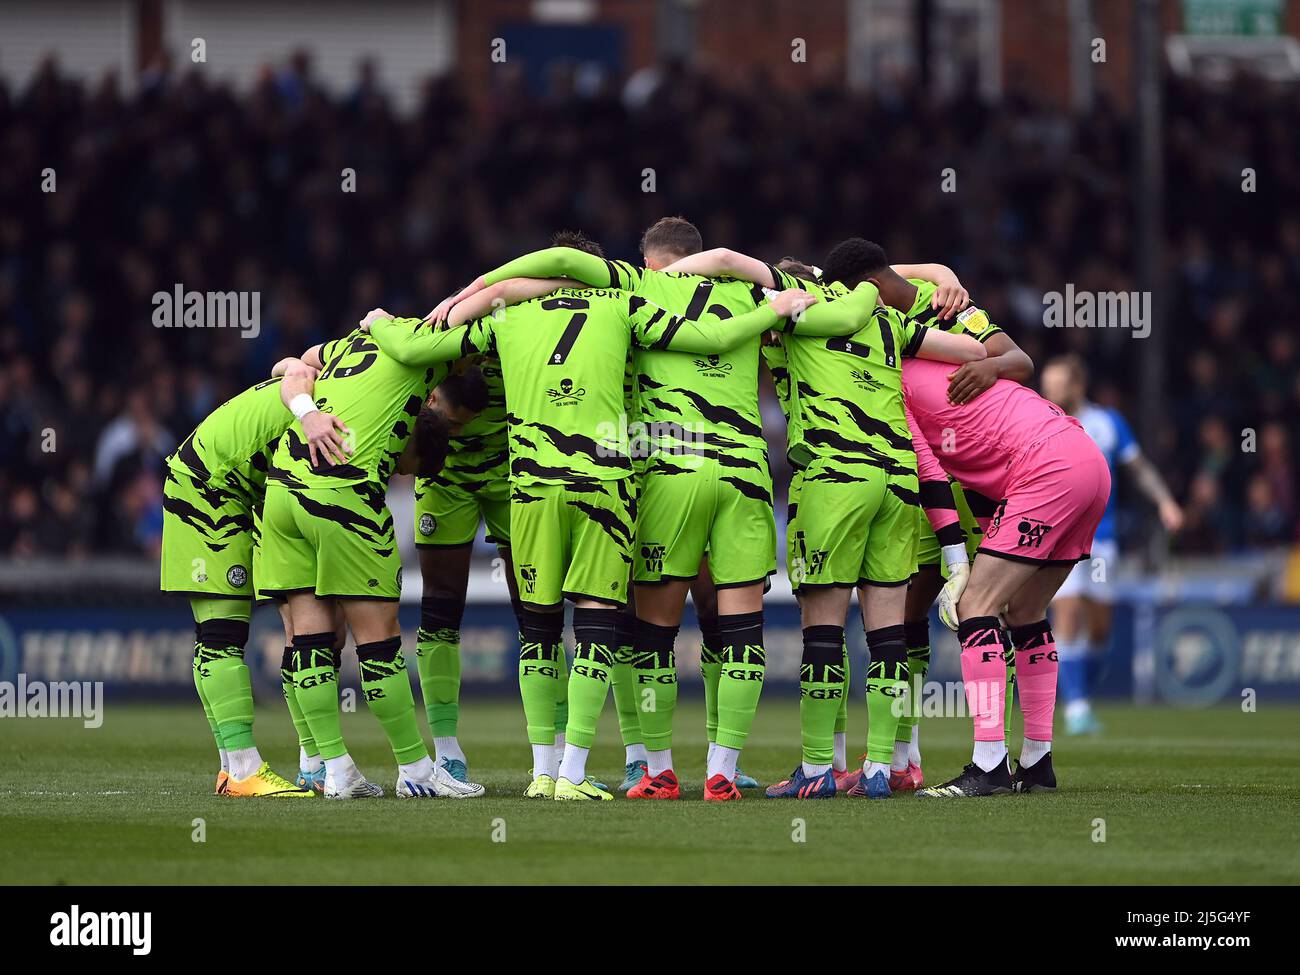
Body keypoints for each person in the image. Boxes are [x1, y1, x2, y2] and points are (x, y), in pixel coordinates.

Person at [370, 232, 824, 800]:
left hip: (547, 480)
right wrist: (778, 302)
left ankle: (582, 766)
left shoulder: (514, 312)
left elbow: (417, 347)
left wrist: (391, 318)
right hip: (637, 477)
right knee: (642, 623)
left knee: (546, 627)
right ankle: (678, 768)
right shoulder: (632, 304)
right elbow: (720, 323)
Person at [259, 320, 489, 800]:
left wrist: (307, 413)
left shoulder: (351, 344)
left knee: (311, 638)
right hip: (342, 492)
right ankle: (417, 772)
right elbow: (486, 313)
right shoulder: (425, 348)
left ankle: (335, 769)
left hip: (282, 491)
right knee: (379, 641)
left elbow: (296, 362)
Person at [904, 357, 1111, 797]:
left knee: (974, 606)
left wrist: (958, 562)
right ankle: (1037, 764)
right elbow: (981, 479)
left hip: (1046, 468)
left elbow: (932, 477)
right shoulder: (951, 362)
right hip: (1087, 463)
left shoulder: (892, 385)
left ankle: (989, 765)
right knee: (1026, 610)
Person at [160, 356, 350, 797]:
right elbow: (293, 371)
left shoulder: (332, 381)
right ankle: (245, 768)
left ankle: (236, 768)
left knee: (229, 633)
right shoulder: (328, 407)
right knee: (223, 636)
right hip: (210, 485)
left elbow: (288, 363)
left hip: (240, 489)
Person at [1040, 354, 1183, 734]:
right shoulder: (1042, 421)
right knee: (1067, 614)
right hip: (1059, 539)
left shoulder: (1107, 423)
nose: (1048, 390)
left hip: (1102, 543)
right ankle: (1077, 709)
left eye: (1055, 384)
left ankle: (1082, 690)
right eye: (1046, 384)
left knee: (1100, 628)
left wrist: (1165, 501)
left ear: (1077, 385)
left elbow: (1138, 469)